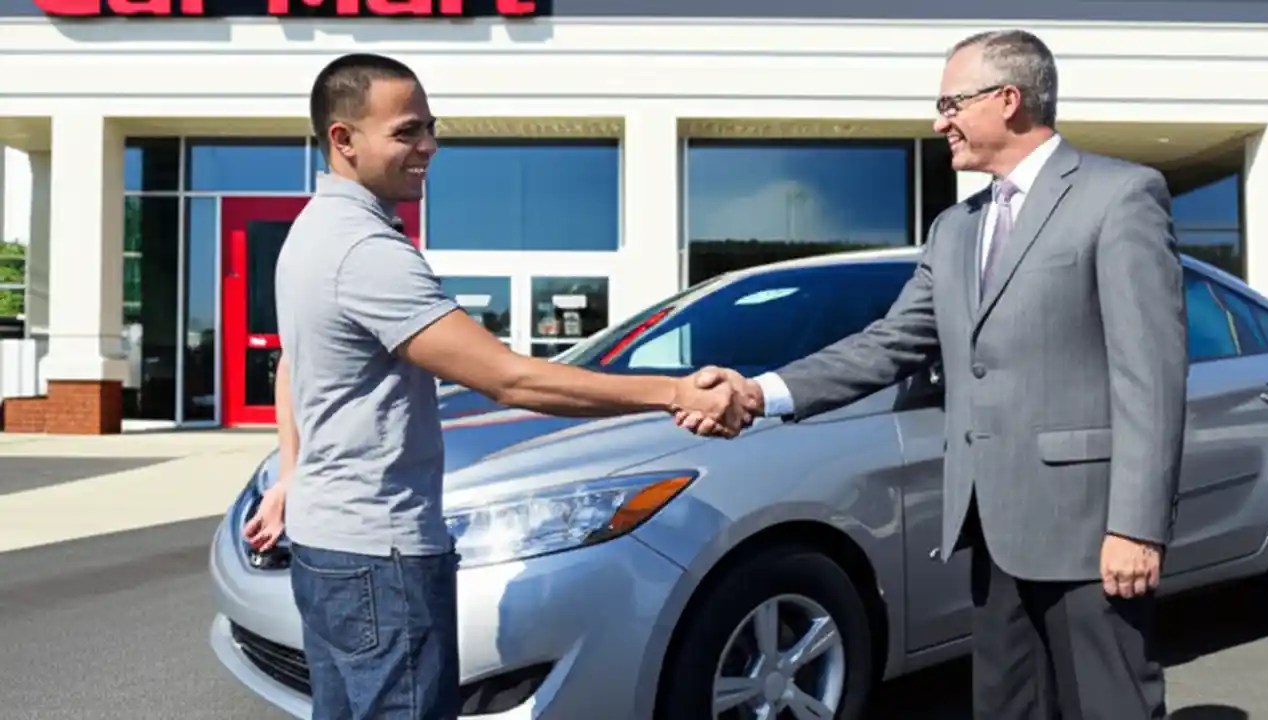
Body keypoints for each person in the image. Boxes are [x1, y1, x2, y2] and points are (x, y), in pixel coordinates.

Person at [681, 29, 1186, 720]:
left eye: (950, 101)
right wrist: (758, 392)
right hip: (991, 526)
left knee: (1110, 708)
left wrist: (1137, 525)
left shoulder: (1119, 195)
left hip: (1088, 531)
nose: (937, 120)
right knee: (1007, 708)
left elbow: (1150, 376)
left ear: (1008, 100)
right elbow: (889, 344)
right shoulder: (955, 229)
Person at [241, 52, 752, 720]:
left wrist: (292, 474)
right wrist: (676, 393)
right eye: (406, 132)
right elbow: (509, 378)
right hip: (380, 560)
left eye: (429, 127)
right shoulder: (364, 252)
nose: (429, 145)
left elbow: (296, 364)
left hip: (331, 549)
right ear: (343, 140)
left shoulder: (312, 233)